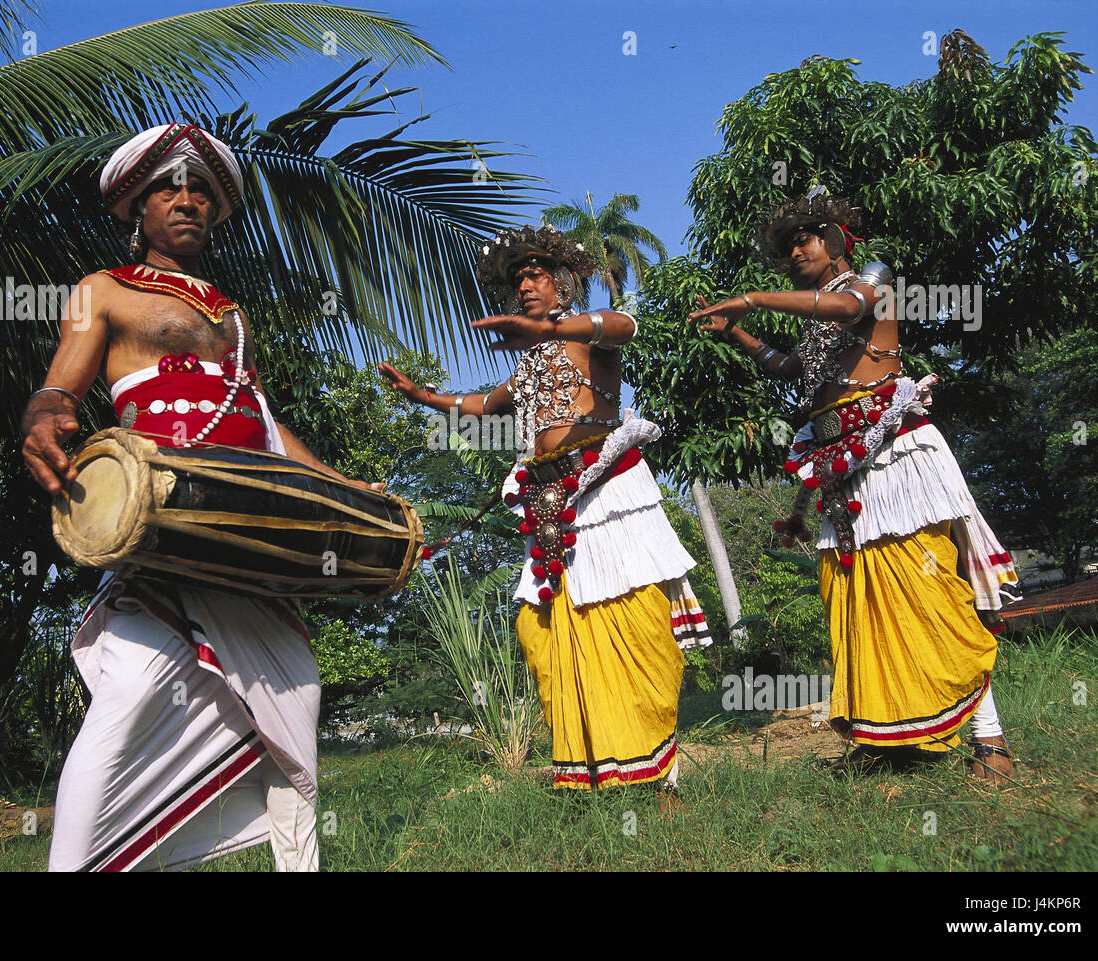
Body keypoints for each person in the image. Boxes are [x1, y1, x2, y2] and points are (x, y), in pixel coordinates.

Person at [22, 123, 366, 871]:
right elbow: (60, 381)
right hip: (168, 524)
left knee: (295, 705)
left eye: (202, 190)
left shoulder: (232, 312)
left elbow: (265, 420)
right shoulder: (103, 290)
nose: (187, 201)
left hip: (249, 528)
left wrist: (340, 488)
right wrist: (45, 412)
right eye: (168, 188)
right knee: (127, 703)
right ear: (133, 209)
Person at [689, 189, 1018, 782]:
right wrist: (735, 333)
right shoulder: (818, 320)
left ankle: (988, 739)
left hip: (896, 459)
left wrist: (754, 299)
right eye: (786, 248)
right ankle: (890, 736)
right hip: (841, 471)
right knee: (857, 604)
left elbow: (844, 309)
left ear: (836, 241)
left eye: (804, 241)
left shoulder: (871, 281)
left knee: (930, 596)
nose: (794, 253)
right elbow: (792, 368)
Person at [379, 225, 711, 795]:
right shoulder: (530, 364)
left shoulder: (588, 337)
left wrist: (549, 327)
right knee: (541, 631)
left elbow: (624, 325)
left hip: (607, 492)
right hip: (550, 503)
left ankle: (664, 779)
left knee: (632, 627)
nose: (525, 287)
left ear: (562, 282)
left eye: (535, 275)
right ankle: (602, 768)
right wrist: (420, 397)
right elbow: (482, 404)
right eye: (517, 281)